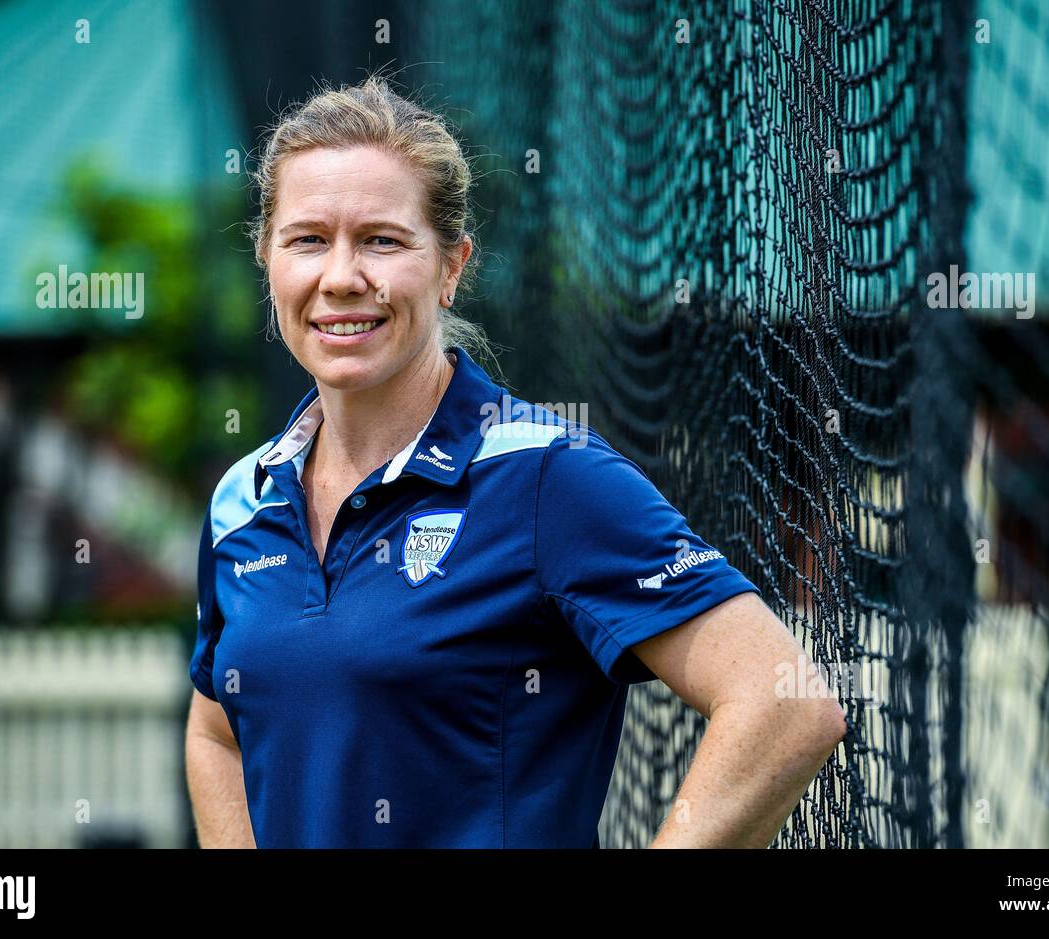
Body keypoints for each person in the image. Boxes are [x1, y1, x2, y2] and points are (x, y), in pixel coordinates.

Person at [185, 74, 847, 849]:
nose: (340, 277)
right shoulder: (243, 500)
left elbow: (784, 702)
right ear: (267, 258)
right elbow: (217, 732)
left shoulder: (546, 477)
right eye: (307, 239)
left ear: (452, 264)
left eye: (382, 240)